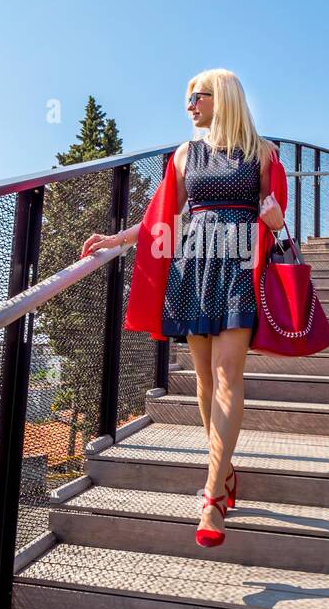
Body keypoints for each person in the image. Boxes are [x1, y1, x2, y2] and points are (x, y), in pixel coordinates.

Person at [80, 68, 286, 547]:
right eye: (188, 97)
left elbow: (275, 210)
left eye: (198, 96)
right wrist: (120, 239)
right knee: (205, 380)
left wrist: (274, 218)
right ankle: (226, 467)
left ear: (225, 98)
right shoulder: (183, 154)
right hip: (193, 262)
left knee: (229, 374)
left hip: (237, 262)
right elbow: (162, 215)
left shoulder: (262, 152)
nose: (190, 104)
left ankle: (212, 494)